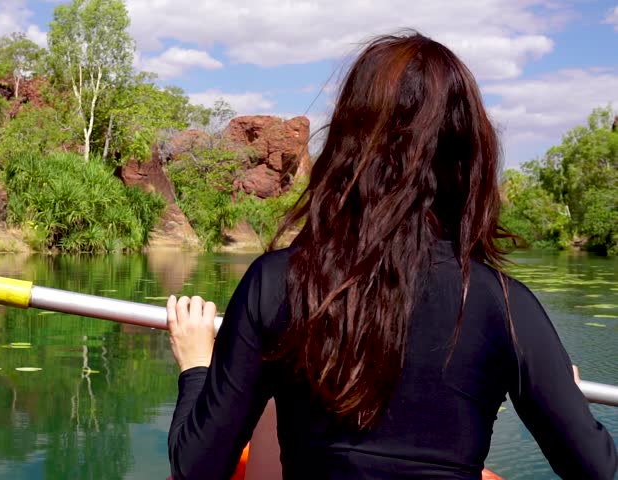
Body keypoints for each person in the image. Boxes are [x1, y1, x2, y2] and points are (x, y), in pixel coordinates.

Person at [165, 31, 617, 480]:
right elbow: (596, 470)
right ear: (469, 157)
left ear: (346, 144)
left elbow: (197, 469)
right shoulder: (505, 306)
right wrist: (566, 401)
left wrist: (197, 367)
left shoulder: (275, 283)